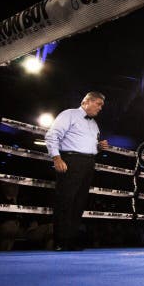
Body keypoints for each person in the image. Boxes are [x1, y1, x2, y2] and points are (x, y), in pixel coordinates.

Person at [44, 91, 110, 251]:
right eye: (98, 104)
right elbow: (52, 135)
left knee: (79, 202)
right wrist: (56, 158)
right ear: (86, 101)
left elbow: (87, 145)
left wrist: (99, 147)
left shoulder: (94, 124)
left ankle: (70, 239)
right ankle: (60, 241)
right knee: (65, 200)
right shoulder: (69, 114)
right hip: (71, 161)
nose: (100, 108)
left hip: (88, 163)